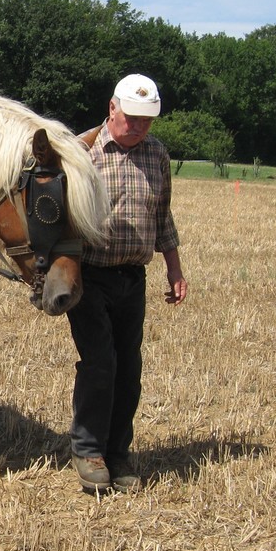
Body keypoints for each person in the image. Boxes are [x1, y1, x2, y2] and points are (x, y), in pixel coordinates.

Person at [68, 74, 188, 494]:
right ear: (112, 108)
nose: (138, 127)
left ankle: (118, 453)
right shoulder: (82, 151)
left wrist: (174, 268)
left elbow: (163, 216)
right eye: (132, 117)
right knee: (100, 365)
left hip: (133, 279)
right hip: (90, 276)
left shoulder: (156, 154)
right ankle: (88, 451)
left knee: (128, 370)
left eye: (147, 120)